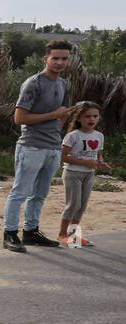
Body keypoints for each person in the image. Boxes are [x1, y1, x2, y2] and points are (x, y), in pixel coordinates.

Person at [3, 40, 74, 253]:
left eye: (64, 59)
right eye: (56, 58)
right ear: (46, 58)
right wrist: (55, 115)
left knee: (40, 193)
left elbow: (64, 114)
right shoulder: (34, 83)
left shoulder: (63, 85)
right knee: (20, 192)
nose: (60, 62)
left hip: (53, 147)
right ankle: (10, 234)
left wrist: (63, 120)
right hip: (32, 146)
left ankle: (31, 231)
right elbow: (19, 117)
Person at [58, 100, 112, 246]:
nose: (92, 119)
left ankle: (73, 235)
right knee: (73, 204)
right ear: (79, 118)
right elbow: (62, 156)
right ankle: (62, 234)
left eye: (95, 116)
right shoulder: (73, 136)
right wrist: (85, 162)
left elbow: (98, 155)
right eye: (87, 116)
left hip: (89, 174)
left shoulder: (99, 136)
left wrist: (101, 163)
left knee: (82, 206)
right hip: (73, 173)